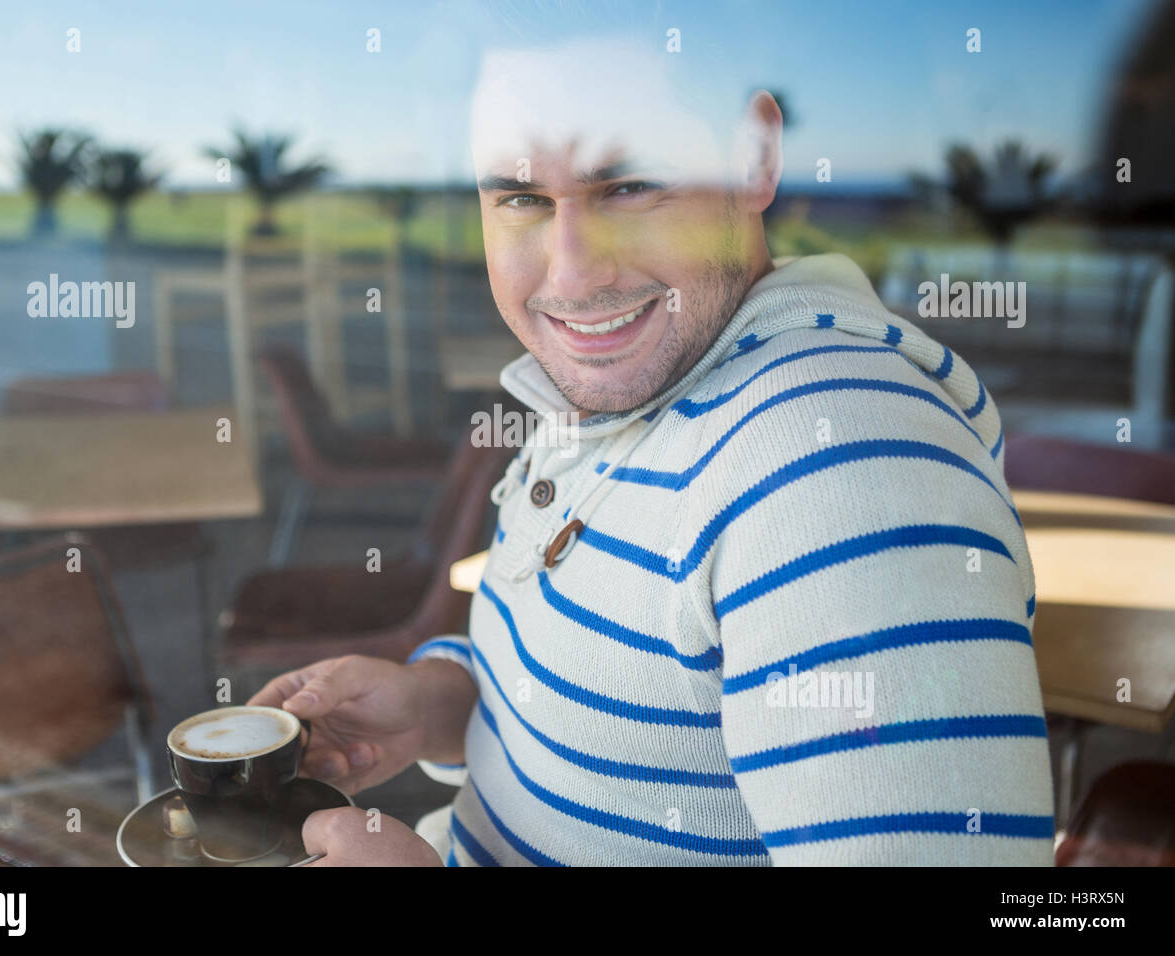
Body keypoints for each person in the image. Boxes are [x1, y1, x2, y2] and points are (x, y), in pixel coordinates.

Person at [250, 36, 1054, 866]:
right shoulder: (639, 383)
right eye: (522, 197)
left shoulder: (839, 467)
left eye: (629, 186)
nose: (571, 276)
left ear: (755, 161)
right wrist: (439, 701)